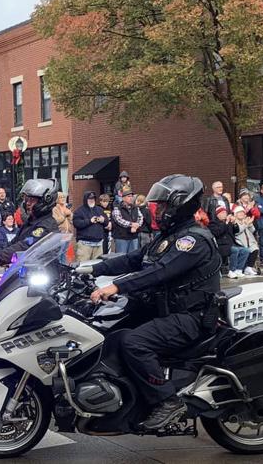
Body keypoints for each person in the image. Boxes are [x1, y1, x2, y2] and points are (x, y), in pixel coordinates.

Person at [78, 174, 221, 430]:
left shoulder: (193, 240)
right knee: (110, 329)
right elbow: (132, 259)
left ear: (180, 205)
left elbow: (159, 272)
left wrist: (117, 285)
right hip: (165, 310)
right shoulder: (168, 236)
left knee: (133, 343)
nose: (158, 211)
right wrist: (87, 269)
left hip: (190, 317)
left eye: (163, 206)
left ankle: (168, 401)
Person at [0, 179, 61, 269]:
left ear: (45, 201)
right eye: (26, 199)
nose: (27, 203)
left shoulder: (46, 226)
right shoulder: (31, 221)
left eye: (32, 200)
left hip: (45, 273)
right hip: (29, 271)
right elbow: (13, 243)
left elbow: (24, 247)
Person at [73, 191, 107, 262]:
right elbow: (76, 223)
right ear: (85, 200)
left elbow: (106, 222)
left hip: (98, 244)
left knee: (97, 267)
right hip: (85, 245)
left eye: (93, 199)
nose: (92, 200)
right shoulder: (79, 211)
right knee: (83, 267)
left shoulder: (100, 209)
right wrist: (89, 221)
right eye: (90, 199)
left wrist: (103, 220)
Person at [209, 205, 239, 278]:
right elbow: (218, 232)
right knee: (234, 250)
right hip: (220, 245)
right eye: (222, 213)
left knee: (245, 251)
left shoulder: (228, 222)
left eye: (225, 213)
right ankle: (231, 270)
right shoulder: (213, 223)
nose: (224, 214)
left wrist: (234, 223)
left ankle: (239, 269)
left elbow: (236, 231)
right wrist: (226, 223)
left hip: (230, 243)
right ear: (217, 214)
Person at [112, 187, 143, 254]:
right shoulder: (117, 208)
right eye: (129, 196)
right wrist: (131, 224)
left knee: (133, 257)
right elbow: (118, 220)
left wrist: (137, 225)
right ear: (123, 198)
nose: (131, 198)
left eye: (132, 196)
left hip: (134, 237)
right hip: (122, 238)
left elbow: (141, 218)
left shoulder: (135, 207)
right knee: (121, 258)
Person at [232, 205, 259, 276]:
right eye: (239, 213)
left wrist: (250, 224)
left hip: (250, 242)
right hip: (240, 242)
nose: (241, 214)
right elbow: (238, 231)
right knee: (245, 250)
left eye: (243, 213)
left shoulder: (245, 221)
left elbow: (253, 231)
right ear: (235, 214)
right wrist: (245, 224)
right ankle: (241, 268)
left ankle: (249, 267)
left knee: (255, 249)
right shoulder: (235, 222)